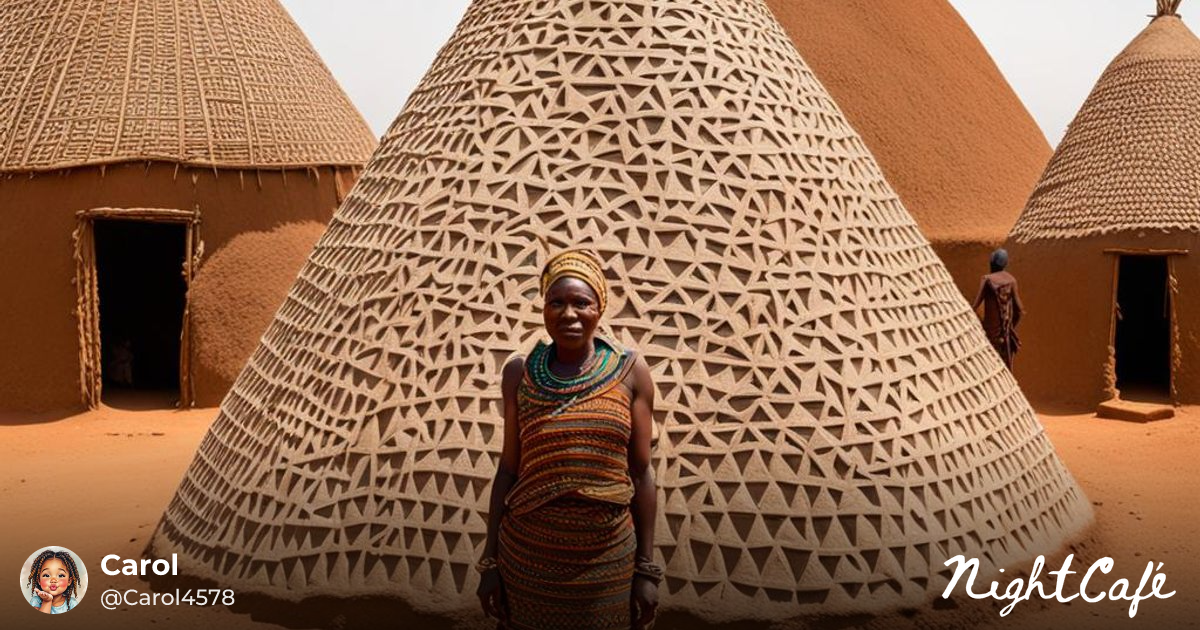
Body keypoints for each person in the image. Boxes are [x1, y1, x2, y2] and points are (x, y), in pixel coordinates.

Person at [476, 250, 660, 630]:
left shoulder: (629, 371)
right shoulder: (520, 373)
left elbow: (641, 473)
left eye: (581, 303)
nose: (568, 314)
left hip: (607, 560)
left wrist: (646, 570)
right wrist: (490, 562)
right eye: (555, 303)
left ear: (599, 308)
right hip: (528, 559)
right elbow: (508, 469)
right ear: (543, 309)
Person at [972, 248, 1024, 370]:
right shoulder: (1012, 280)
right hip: (1005, 337)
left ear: (992, 263)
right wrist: (1010, 328)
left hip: (990, 335)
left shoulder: (987, 280)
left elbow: (975, 305)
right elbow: (1020, 311)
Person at [27, 549, 83, 614]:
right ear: (39, 580)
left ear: (69, 581)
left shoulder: (71, 603)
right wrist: (47, 601)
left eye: (61, 575)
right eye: (47, 575)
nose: (53, 580)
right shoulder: (36, 601)